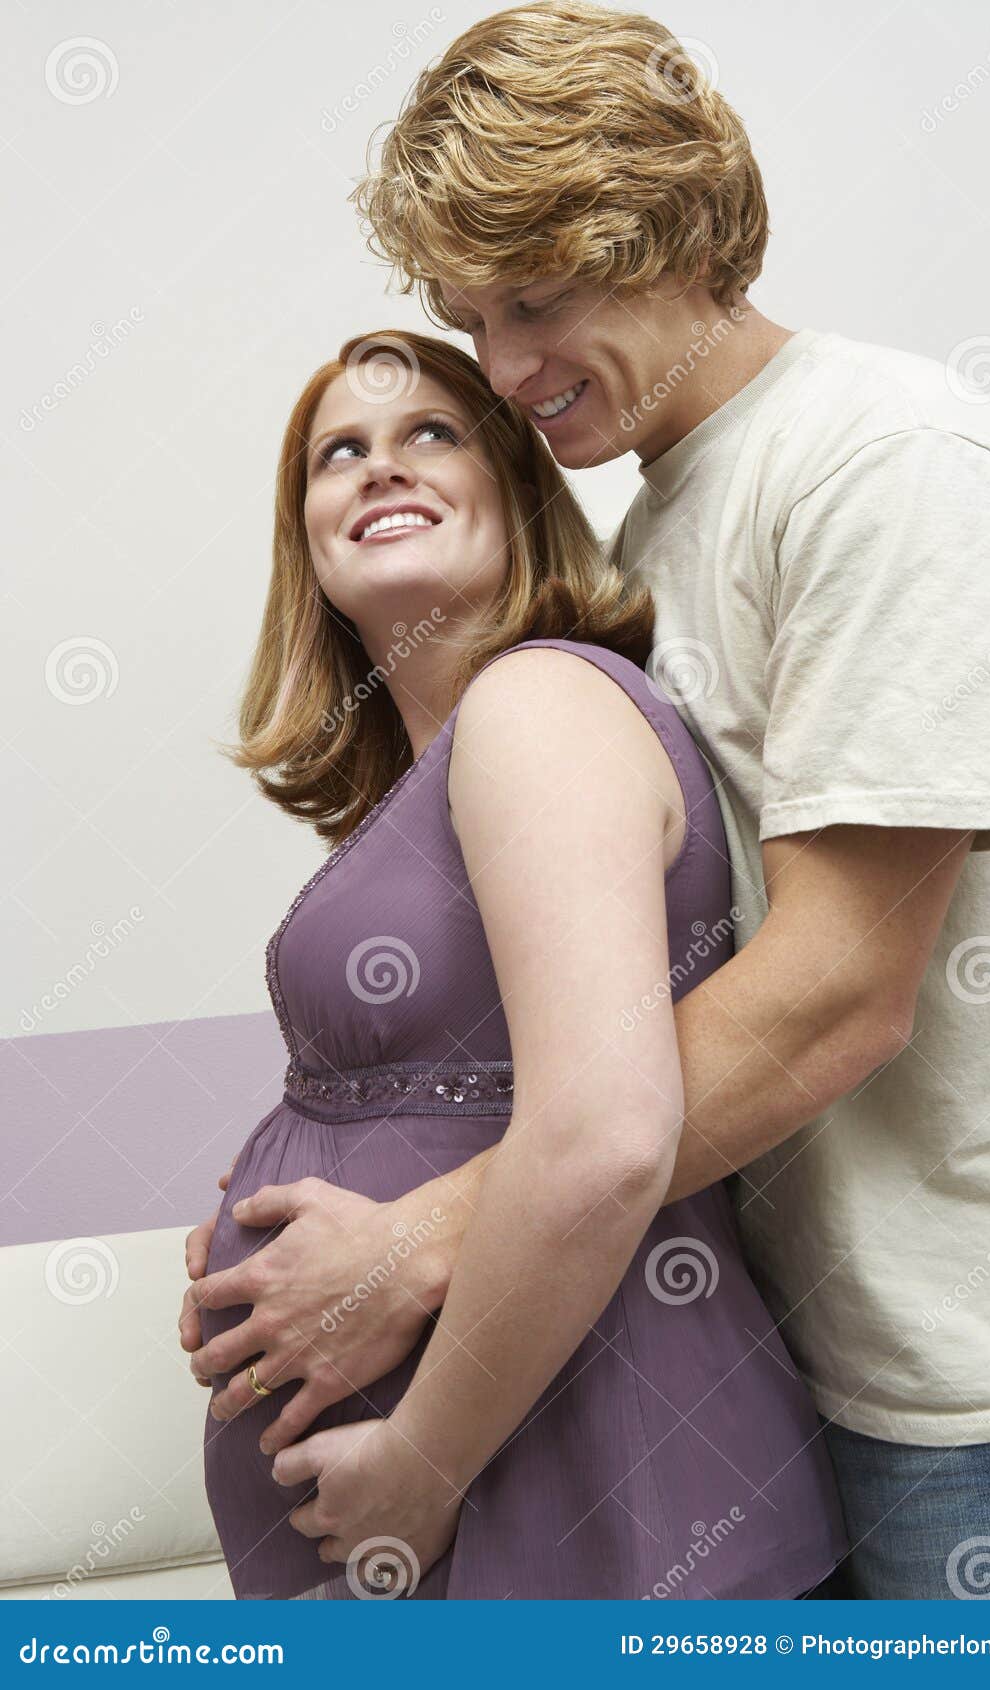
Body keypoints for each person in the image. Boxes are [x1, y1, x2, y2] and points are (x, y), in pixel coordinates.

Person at [184, 2, 990, 1599]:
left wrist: (417, 1239)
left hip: (967, 1396)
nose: (508, 366)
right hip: (787, 1351)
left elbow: (838, 995)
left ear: (674, 233)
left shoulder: (892, 469)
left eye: (537, 298)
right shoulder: (651, 532)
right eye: (469, 310)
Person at [190, 326, 847, 1600]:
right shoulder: (432, 777)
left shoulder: (535, 706)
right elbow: (461, 1081)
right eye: (342, 452)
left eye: (429, 432)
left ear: (517, 485)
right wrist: (266, 1230)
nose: (382, 467)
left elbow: (601, 1136)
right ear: (308, 545)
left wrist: (421, 1467)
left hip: (577, 1471)